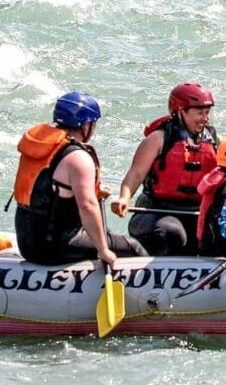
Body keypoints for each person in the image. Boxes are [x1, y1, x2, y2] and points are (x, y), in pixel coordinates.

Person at [12, 91, 145, 266]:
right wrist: (103, 250)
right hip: (56, 245)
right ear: (86, 125)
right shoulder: (78, 158)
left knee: (106, 233)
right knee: (132, 247)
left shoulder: (43, 148)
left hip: (28, 243)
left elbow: (50, 188)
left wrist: (96, 190)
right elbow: (87, 206)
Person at [112, 82, 219, 256]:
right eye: (199, 113)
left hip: (195, 212)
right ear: (180, 111)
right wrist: (124, 198)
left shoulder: (214, 140)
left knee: (215, 234)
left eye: (207, 113)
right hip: (155, 211)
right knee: (172, 232)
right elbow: (136, 173)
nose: (205, 118)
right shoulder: (158, 139)